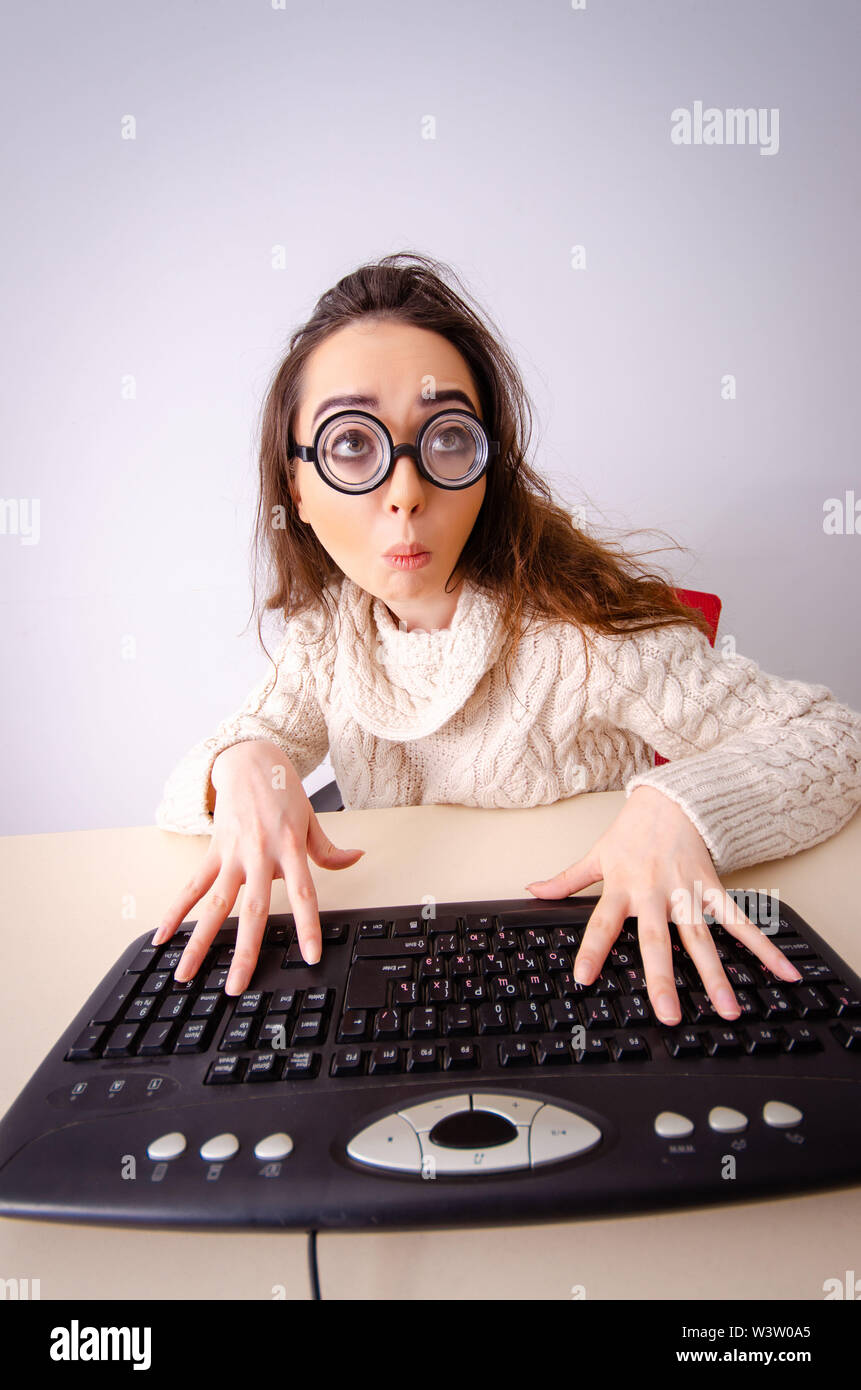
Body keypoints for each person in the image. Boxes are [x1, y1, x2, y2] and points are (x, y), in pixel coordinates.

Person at [153, 251, 861, 1028]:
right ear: (297, 486)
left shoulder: (583, 636)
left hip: (579, 967)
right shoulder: (327, 633)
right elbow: (184, 797)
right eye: (351, 444)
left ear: (485, 465)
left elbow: (834, 739)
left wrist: (680, 810)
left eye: (446, 438)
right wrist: (241, 765)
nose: (405, 493)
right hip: (415, 974)